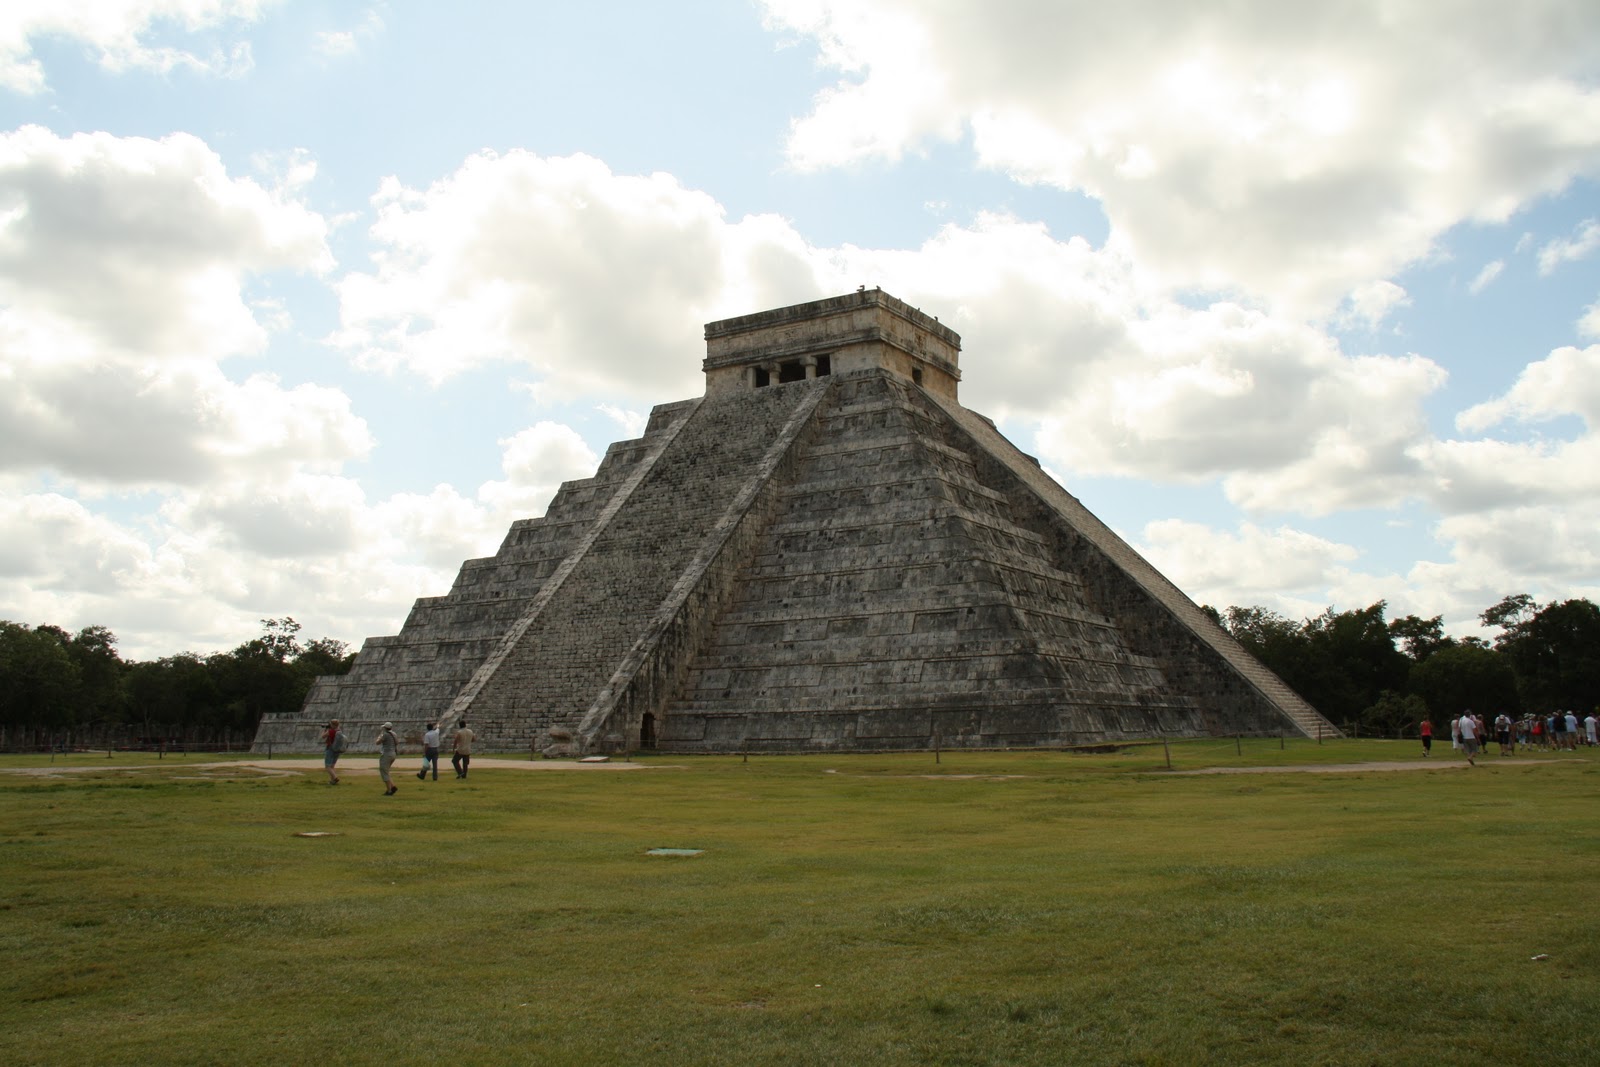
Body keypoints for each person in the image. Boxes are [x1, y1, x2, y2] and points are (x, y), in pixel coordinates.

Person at [376, 721, 399, 795]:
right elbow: (397, 742)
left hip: (386, 754)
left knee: (384, 771)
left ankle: (389, 790)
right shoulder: (394, 734)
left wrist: (379, 736)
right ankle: (392, 786)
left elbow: (377, 742)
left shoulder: (385, 735)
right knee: (387, 771)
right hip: (393, 754)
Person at [323, 719, 347, 785]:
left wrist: (325, 730)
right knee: (332, 766)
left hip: (330, 749)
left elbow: (323, 736)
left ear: (332, 725)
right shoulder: (339, 731)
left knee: (327, 766)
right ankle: (332, 781)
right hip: (337, 750)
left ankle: (335, 778)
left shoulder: (331, 731)